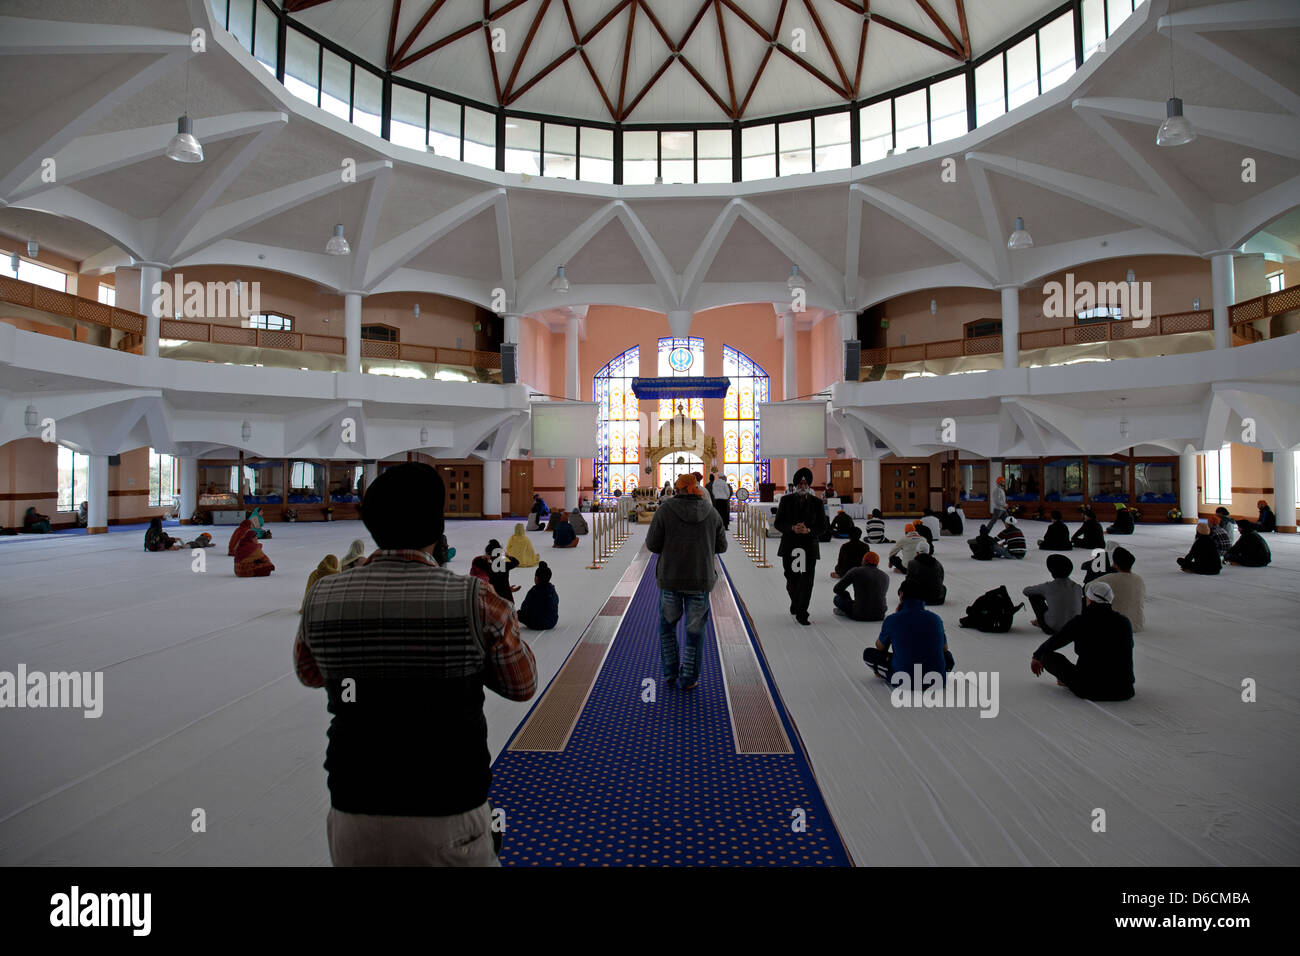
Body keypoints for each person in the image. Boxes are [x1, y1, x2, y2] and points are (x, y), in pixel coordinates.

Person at [295, 462, 536, 867]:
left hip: (355, 807)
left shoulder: (323, 596)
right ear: (436, 528)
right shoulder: (475, 599)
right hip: (448, 806)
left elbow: (311, 673)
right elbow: (521, 685)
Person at [645, 472, 727, 689]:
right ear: (697, 489)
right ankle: (689, 678)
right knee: (695, 631)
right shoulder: (711, 513)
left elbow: (652, 545)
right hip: (700, 579)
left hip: (671, 577)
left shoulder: (665, 511)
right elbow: (722, 547)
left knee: (667, 627)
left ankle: (670, 673)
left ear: (678, 489)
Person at [1030, 580, 1134, 702]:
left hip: (1089, 688)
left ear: (1089, 599)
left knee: (1047, 657)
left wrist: (1037, 656)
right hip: (1124, 689)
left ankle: (1067, 681)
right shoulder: (1124, 622)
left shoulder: (1081, 621)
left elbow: (1055, 641)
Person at [863, 580, 955, 681]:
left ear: (902, 594)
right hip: (936, 679)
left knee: (869, 654)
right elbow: (945, 649)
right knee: (948, 656)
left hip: (904, 679)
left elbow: (880, 647)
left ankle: (883, 672)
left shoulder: (893, 619)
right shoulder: (935, 619)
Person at [774, 467, 828, 626]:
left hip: (809, 546)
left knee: (807, 580)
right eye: (800, 483)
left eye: (805, 483)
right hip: (790, 545)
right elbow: (778, 523)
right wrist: (792, 528)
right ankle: (796, 602)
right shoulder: (786, 500)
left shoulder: (817, 503)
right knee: (791, 578)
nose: (803, 486)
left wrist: (809, 530)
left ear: (809, 485)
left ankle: (802, 612)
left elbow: (823, 527)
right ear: (796, 485)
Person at [1023, 554, 1083, 636]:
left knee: (1034, 596)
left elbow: (1026, 591)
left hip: (1051, 628)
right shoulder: (1077, 587)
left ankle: (1042, 621)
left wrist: (1044, 594)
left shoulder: (1049, 587)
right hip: (1074, 628)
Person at [1097, 547, 1144, 632]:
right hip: (1137, 624)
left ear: (1115, 564)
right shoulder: (1139, 579)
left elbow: (1088, 589)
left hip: (1116, 625)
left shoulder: (1108, 579)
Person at [832, 550, 889, 621]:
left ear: (864, 561)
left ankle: (847, 611)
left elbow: (837, 589)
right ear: (877, 563)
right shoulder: (885, 576)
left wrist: (846, 595)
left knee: (837, 598)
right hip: (879, 614)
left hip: (859, 614)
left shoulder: (856, 571)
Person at [516, 562, 559, 631]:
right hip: (552, 622)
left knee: (516, 613)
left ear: (536, 578)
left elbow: (524, 608)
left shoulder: (534, 591)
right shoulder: (552, 590)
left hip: (537, 624)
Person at [904, 540, 947, 606]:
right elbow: (941, 579)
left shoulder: (912, 563)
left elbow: (908, 581)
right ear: (928, 551)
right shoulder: (938, 564)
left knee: (903, 588)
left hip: (918, 599)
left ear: (917, 552)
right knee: (943, 587)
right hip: (937, 599)